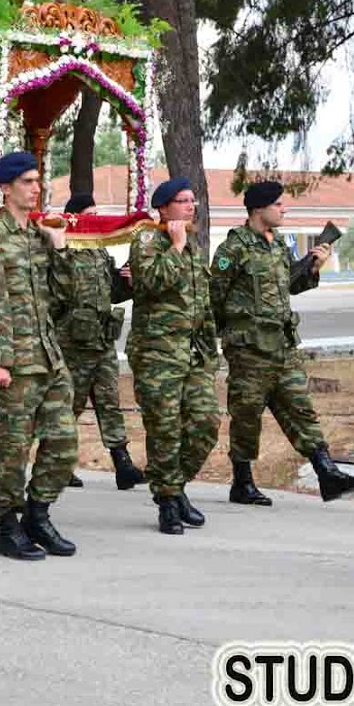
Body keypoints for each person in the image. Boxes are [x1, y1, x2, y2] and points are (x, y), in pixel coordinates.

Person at [210, 181, 354, 505]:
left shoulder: (279, 246)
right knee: (247, 414)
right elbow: (215, 298)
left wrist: (312, 268)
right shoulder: (233, 249)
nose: (285, 209)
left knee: (301, 407)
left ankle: (328, 474)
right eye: (279, 204)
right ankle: (242, 482)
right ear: (259, 209)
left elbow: (289, 289)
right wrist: (231, 336)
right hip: (249, 349)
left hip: (282, 346)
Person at [0, 151, 79, 560]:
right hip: (14, 361)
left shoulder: (38, 236)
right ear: (6, 188)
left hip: (48, 357)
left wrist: (61, 249)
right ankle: (7, 526)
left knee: (64, 442)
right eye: (28, 182)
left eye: (38, 181)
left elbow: (65, 297)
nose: (36, 188)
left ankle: (38, 513)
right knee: (13, 448)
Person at [127, 179, 221, 535]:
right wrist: (177, 247)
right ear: (164, 208)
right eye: (182, 201)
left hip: (193, 354)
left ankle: (174, 486)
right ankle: (168, 501)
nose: (190, 207)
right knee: (165, 429)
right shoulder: (148, 241)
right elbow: (150, 283)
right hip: (158, 355)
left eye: (193, 201)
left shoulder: (192, 248)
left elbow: (202, 305)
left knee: (205, 422)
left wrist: (210, 352)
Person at [52, 193, 140, 490]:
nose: (96, 217)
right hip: (73, 343)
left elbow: (110, 294)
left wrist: (125, 281)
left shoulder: (100, 252)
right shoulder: (65, 251)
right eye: (89, 213)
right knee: (69, 406)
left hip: (102, 342)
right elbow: (57, 295)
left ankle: (122, 463)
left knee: (109, 402)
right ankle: (57, 464)